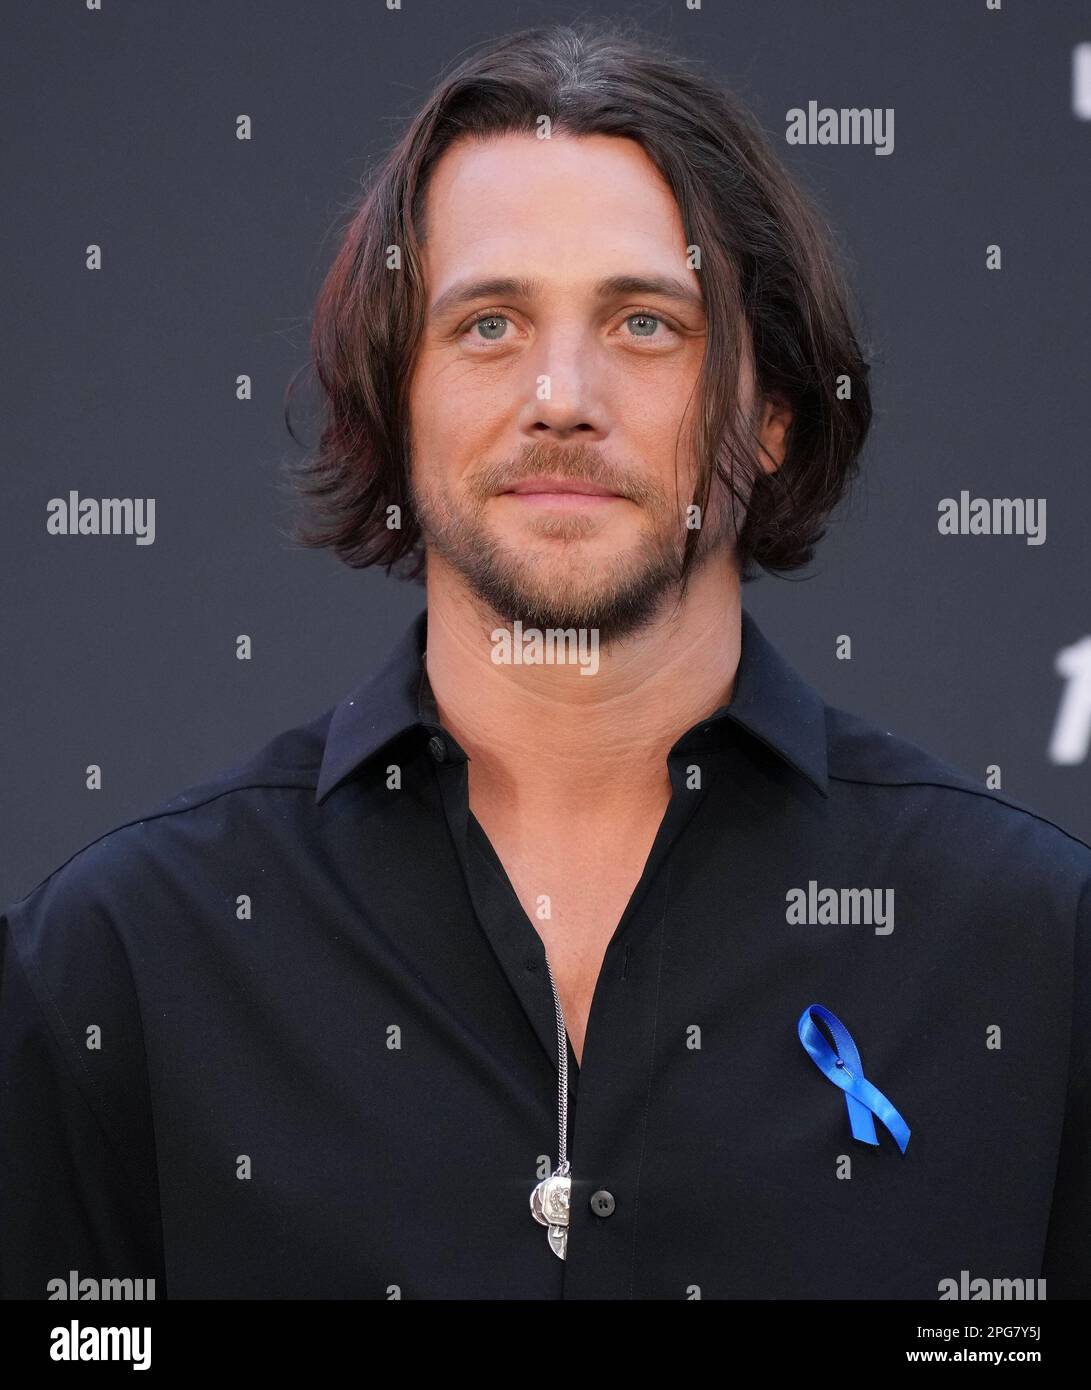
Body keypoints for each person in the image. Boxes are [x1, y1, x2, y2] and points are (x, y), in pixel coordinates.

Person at [2, 19, 1088, 1301]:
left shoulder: (1028, 947)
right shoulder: (127, 953)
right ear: (392, 404)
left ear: (775, 413)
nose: (559, 393)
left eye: (643, 323)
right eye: (487, 325)